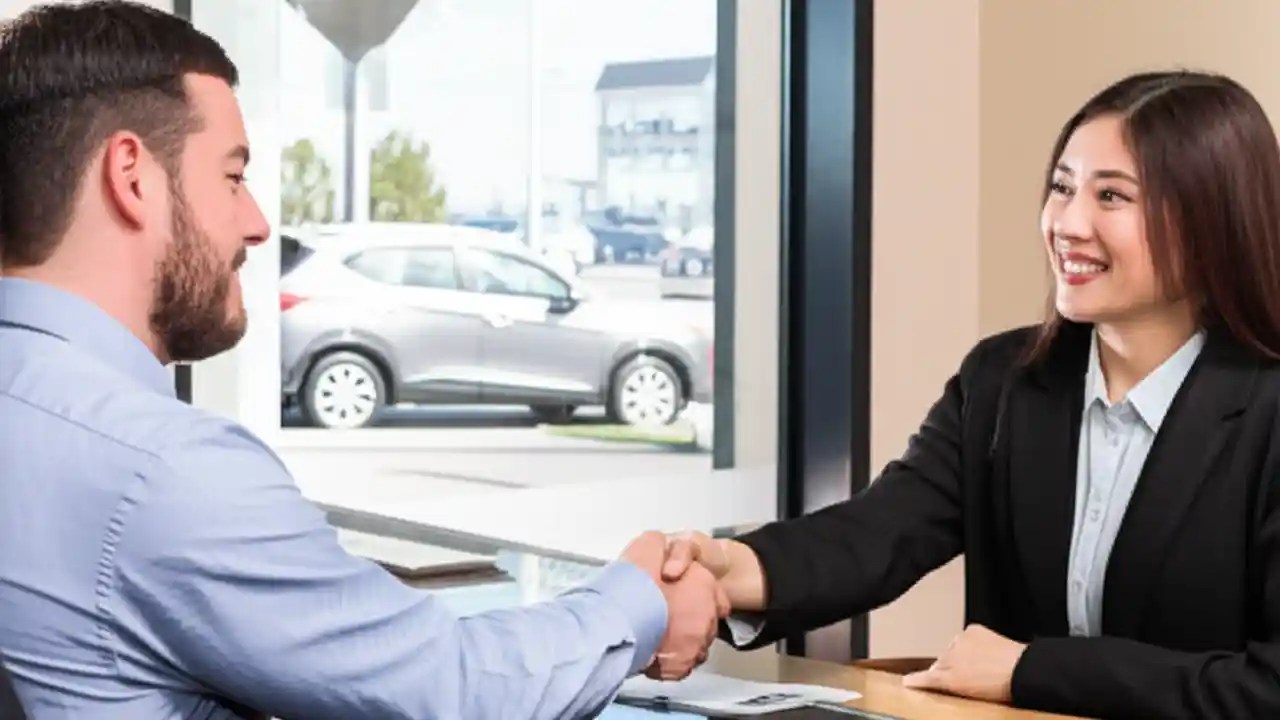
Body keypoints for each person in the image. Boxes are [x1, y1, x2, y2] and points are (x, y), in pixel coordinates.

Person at [0, 2, 726, 718]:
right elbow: (458, 693)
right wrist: (640, 598)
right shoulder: (161, 470)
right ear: (132, 176)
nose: (255, 224)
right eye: (232, 177)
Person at [664, 69, 1280, 720]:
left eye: (1111, 197)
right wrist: (727, 566)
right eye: (1062, 188)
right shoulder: (1003, 380)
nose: (1067, 224)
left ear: (1209, 220)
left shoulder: (1265, 412)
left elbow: (1268, 688)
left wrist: (1028, 670)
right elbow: (879, 534)